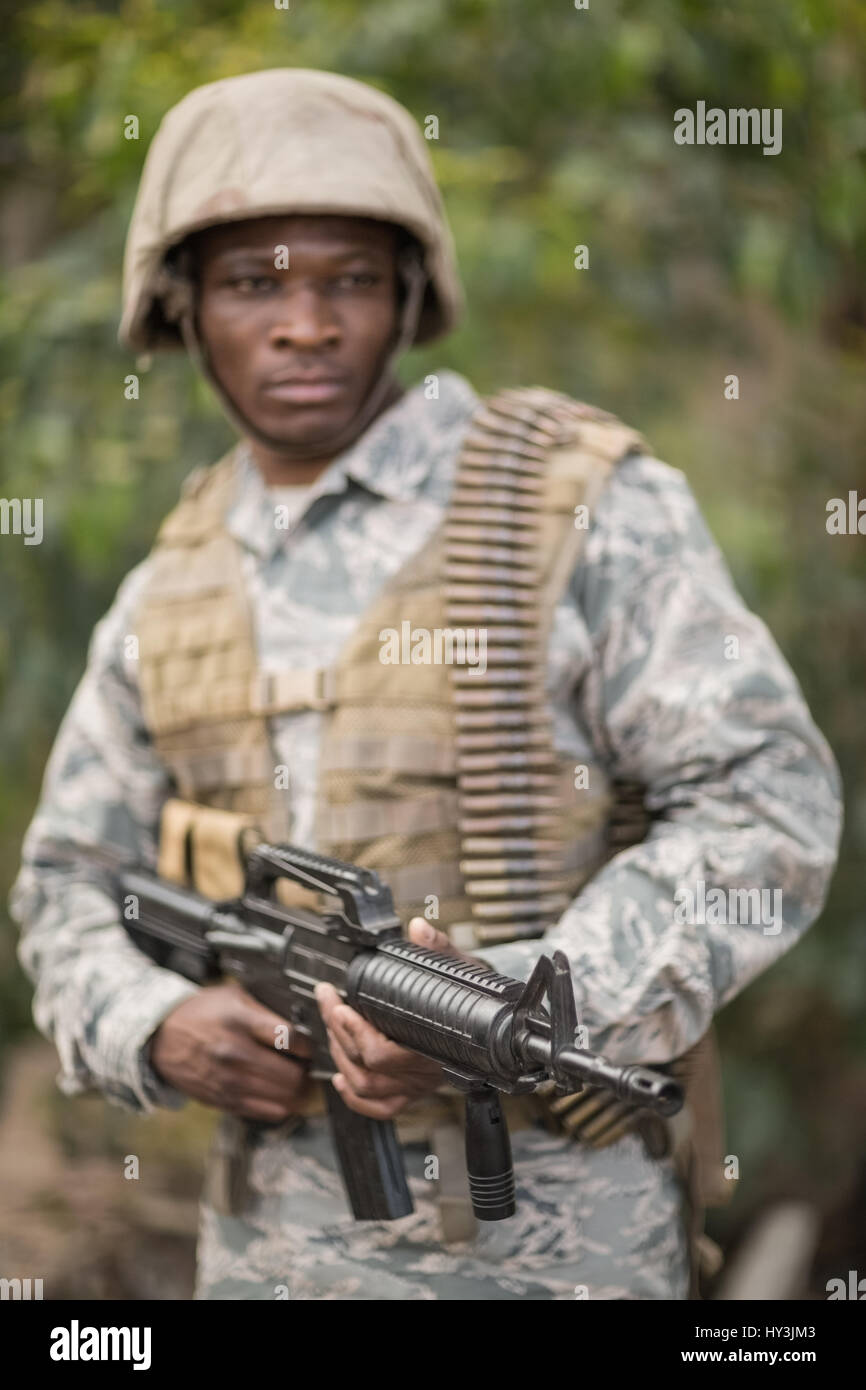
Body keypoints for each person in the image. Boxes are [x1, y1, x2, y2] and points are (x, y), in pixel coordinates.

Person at [11, 68, 842, 1301]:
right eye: (253, 283)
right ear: (179, 307)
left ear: (407, 295)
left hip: (556, 1252)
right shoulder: (167, 590)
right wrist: (149, 1025)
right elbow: (67, 881)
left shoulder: (571, 506)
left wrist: (510, 996)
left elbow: (769, 809)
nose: (306, 324)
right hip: (268, 1255)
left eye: (348, 278)